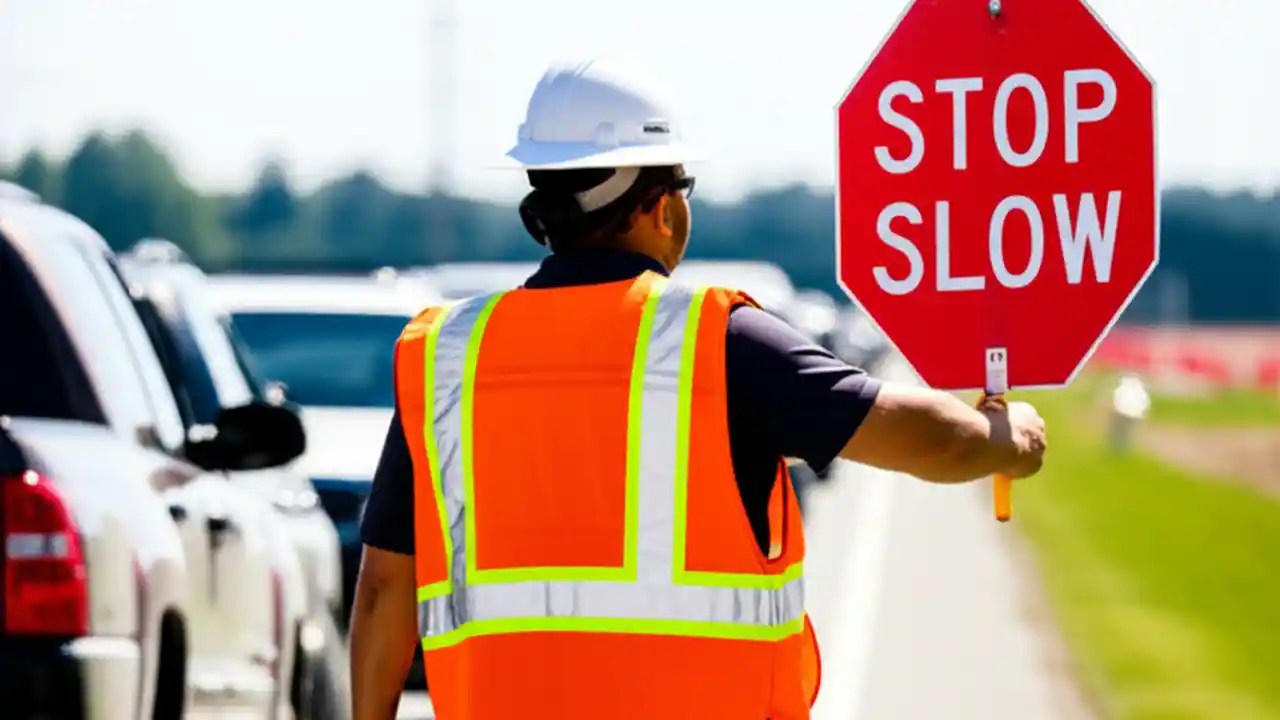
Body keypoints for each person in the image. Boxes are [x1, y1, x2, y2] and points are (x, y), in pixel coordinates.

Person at [349, 56, 1047, 720]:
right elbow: (914, 435)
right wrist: (1005, 438)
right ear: (659, 206)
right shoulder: (719, 342)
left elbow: (384, 590)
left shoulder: (447, 357)